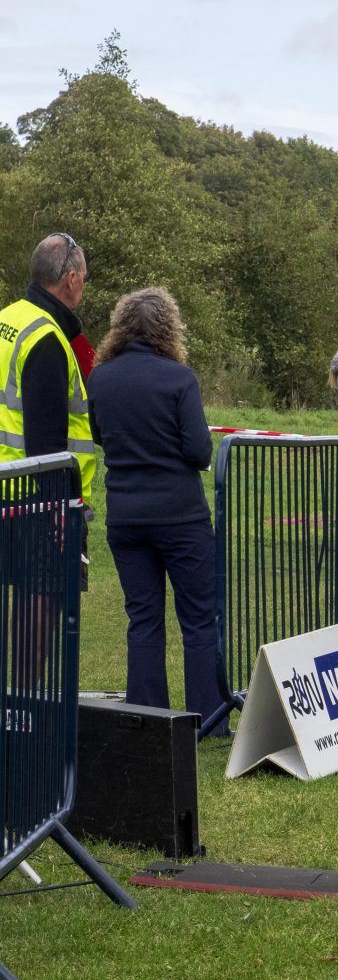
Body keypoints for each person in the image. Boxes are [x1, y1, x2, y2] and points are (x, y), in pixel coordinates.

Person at [86, 288, 228, 732]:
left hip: (126, 513)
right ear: (169, 328)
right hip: (180, 514)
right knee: (199, 619)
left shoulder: (101, 378)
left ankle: (149, 720)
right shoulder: (178, 378)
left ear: (120, 326)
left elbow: (98, 435)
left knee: (143, 619)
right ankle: (208, 719)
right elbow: (199, 448)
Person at [0, 232, 97, 522]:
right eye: (83, 277)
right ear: (71, 279)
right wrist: (61, 508)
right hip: (33, 501)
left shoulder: (8, 316)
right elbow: (47, 442)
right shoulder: (45, 337)